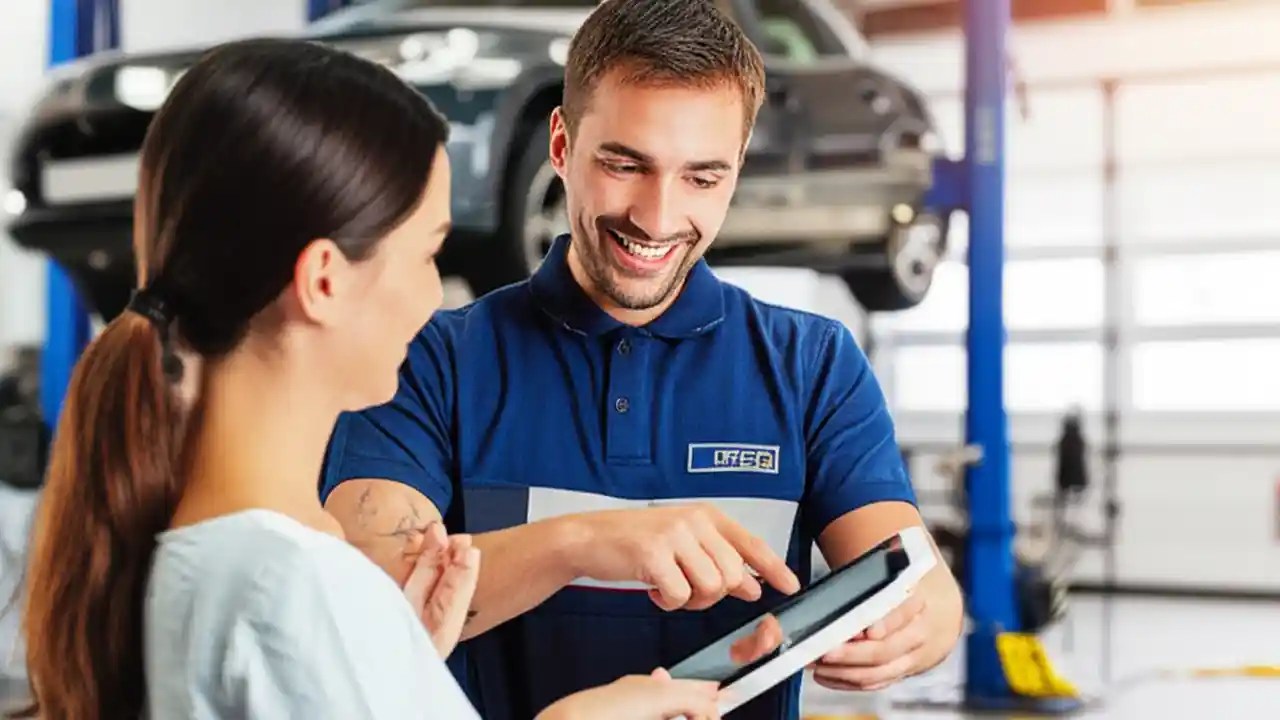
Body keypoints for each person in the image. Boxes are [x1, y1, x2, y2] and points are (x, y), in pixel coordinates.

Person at [14, 38, 734, 720]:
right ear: (324, 280)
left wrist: (396, 664)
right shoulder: (293, 588)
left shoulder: (210, 559)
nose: (434, 295)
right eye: (428, 253)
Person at [320, 1, 966, 719]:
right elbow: (374, 609)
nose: (657, 219)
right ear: (560, 146)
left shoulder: (812, 366)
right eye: (626, 165)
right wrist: (584, 542)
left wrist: (920, 623)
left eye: (702, 177)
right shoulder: (430, 362)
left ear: (737, 169)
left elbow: (913, 577)